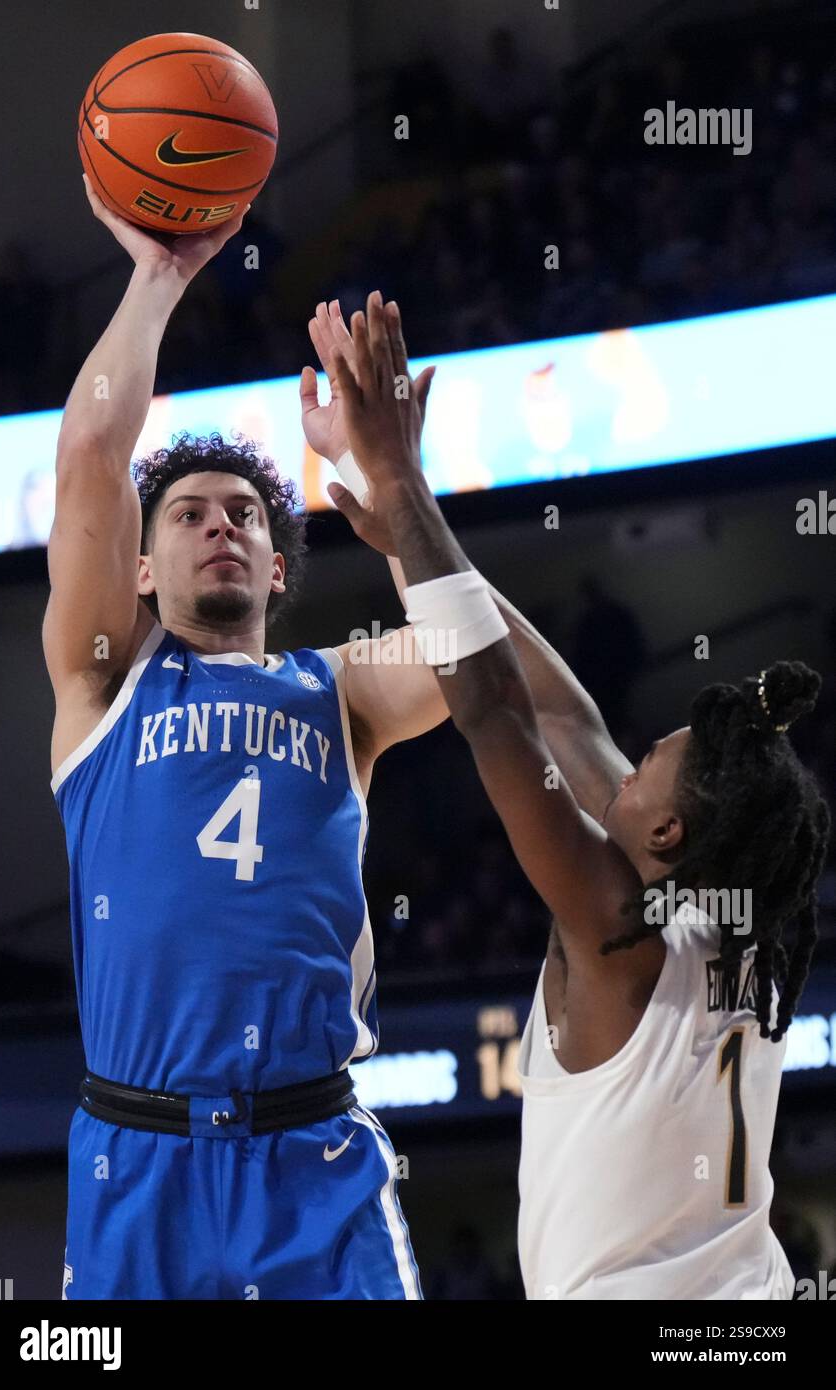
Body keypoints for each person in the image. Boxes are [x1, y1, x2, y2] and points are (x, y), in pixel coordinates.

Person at [44, 181, 609, 1300]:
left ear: (277, 567)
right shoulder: (105, 685)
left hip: (311, 1160)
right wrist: (158, 280)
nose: (222, 524)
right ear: (141, 570)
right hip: (134, 1158)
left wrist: (395, 496)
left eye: (246, 515)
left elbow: (480, 665)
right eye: (192, 513)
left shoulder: (339, 687)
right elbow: (92, 457)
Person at [329, 289, 831, 1301]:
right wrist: (406, 519)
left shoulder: (623, 935)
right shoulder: (732, 919)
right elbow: (560, 719)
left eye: (646, 763)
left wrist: (396, 479)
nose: (625, 760)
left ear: (669, 827)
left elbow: (496, 714)